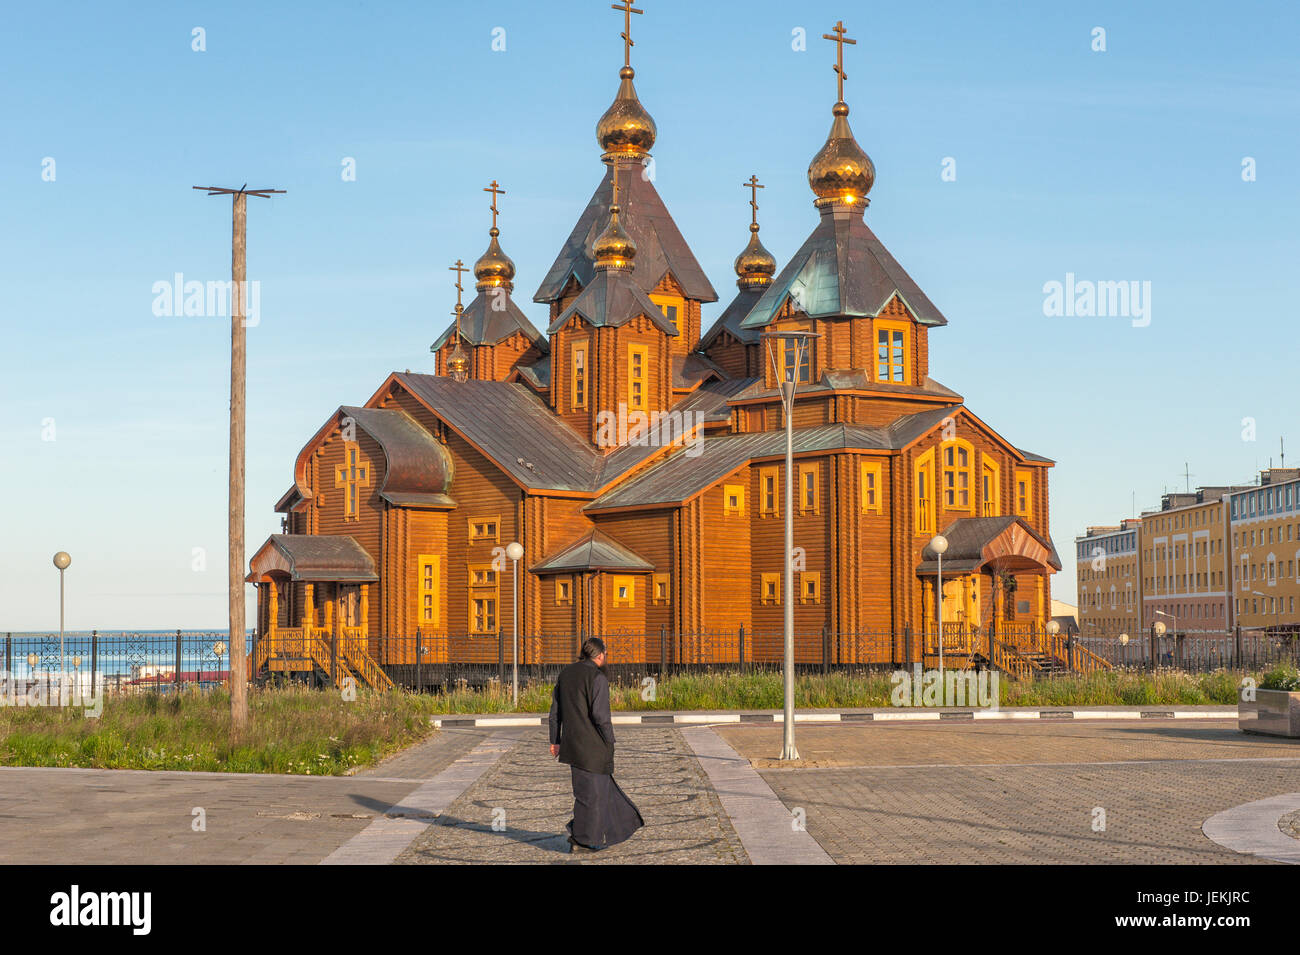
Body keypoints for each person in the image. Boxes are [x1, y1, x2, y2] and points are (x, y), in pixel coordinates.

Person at [548, 637, 644, 853]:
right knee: (595, 796)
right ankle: (583, 841)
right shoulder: (597, 678)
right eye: (605, 654)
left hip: (572, 747)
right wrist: (610, 740)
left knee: (584, 795)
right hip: (594, 748)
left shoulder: (566, 674)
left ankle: (584, 837)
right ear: (601, 655)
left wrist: (555, 741)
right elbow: (601, 716)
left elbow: (555, 713)